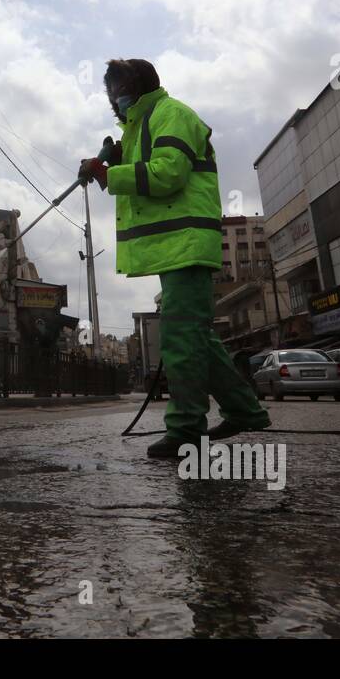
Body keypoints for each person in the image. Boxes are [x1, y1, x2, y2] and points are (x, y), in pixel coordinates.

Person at [79, 59, 271, 459]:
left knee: (181, 337)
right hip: (174, 248)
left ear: (140, 86)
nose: (116, 98)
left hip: (186, 244)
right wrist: (113, 161)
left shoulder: (172, 114)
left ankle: (186, 430)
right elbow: (146, 169)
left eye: (120, 89)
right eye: (111, 92)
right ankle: (244, 410)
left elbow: (168, 173)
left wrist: (108, 174)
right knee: (196, 336)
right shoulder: (140, 127)